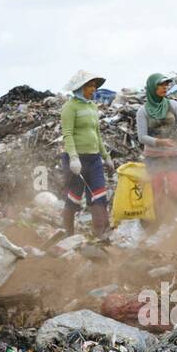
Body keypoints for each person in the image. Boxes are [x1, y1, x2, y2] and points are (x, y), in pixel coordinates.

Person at [60, 70, 114, 237]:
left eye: (95, 86)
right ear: (79, 88)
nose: (94, 89)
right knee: (74, 198)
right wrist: (74, 158)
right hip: (76, 160)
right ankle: (68, 235)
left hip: (94, 159)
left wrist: (106, 157)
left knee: (99, 196)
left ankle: (100, 237)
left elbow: (96, 133)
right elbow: (67, 134)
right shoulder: (70, 107)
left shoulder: (92, 106)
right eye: (90, 86)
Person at [135, 73, 177, 218]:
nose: (165, 87)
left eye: (166, 84)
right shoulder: (143, 111)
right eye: (161, 84)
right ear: (152, 87)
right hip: (154, 157)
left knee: (176, 188)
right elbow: (141, 137)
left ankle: (173, 218)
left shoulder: (173, 105)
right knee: (157, 190)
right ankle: (160, 221)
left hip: (174, 155)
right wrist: (159, 142)